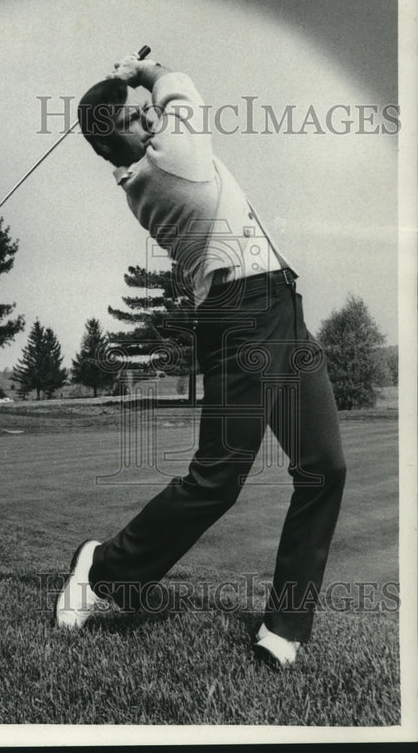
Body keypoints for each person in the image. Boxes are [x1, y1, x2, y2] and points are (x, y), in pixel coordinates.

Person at [55, 54, 346, 667]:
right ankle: (102, 570)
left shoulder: (152, 161)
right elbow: (181, 90)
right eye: (137, 118)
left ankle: (285, 627)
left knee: (324, 467)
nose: (151, 119)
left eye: (148, 114)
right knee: (218, 479)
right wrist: (143, 71)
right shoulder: (170, 163)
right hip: (242, 312)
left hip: (277, 304)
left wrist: (134, 90)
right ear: (114, 143)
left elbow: (168, 105)